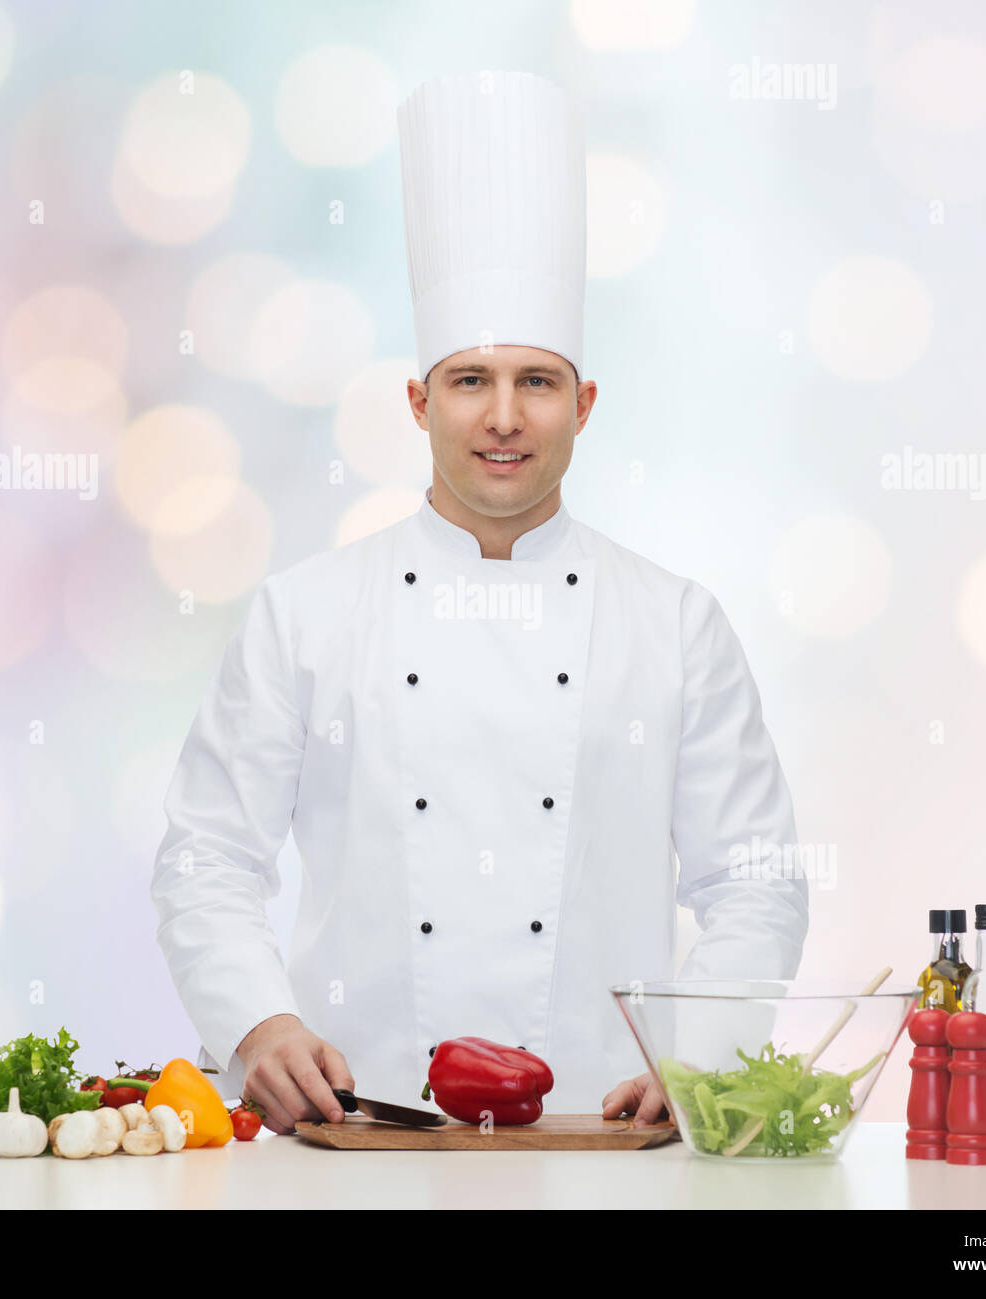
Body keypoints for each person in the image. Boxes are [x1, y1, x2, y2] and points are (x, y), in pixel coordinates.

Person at [151, 70, 807, 1135]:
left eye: (537, 382)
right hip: (358, 1131)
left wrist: (701, 1059)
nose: (502, 419)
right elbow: (208, 856)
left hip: (606, 1141)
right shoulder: (304, 615)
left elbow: (755, 879)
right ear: (417, 401)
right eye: (469, 381)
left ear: (584, 404)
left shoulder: (674, 622)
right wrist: (257, 1026)